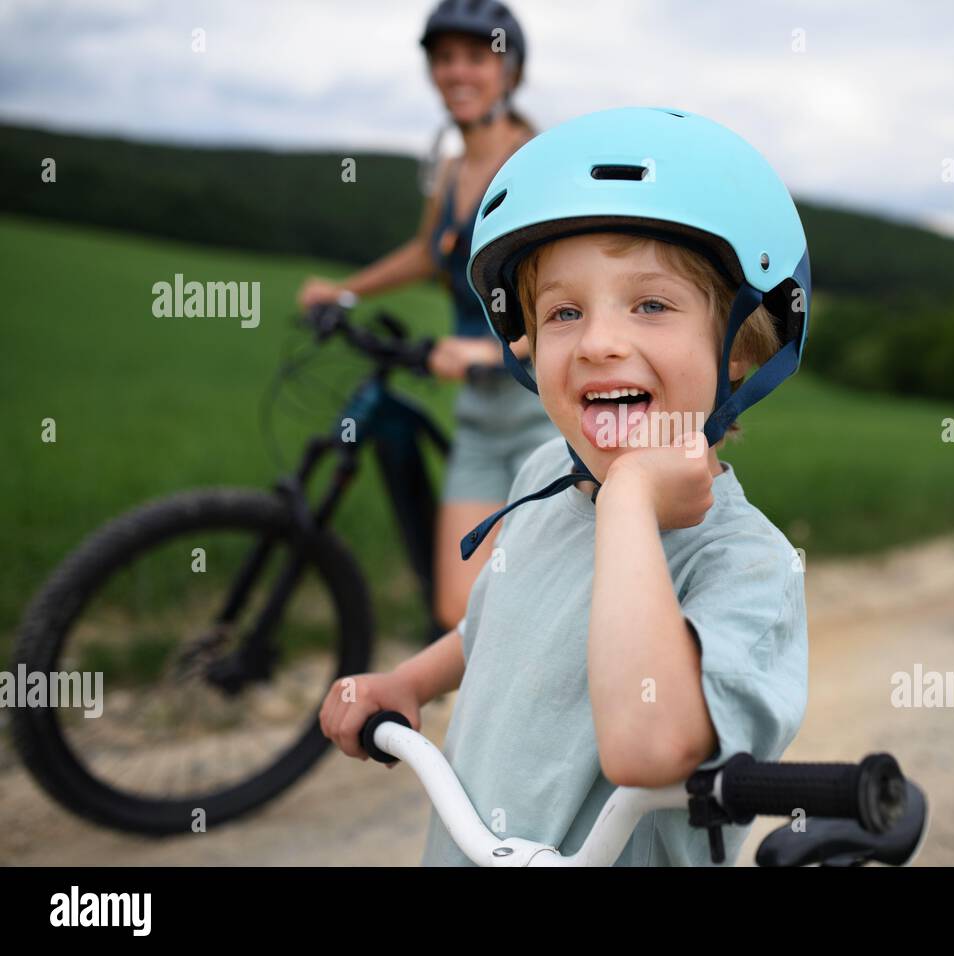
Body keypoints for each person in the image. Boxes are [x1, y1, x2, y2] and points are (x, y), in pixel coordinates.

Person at [319, 107, 812, 866]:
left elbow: (650, 747)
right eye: (564, 312)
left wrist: (629, 503)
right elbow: (498, 623)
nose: (599, 342)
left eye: (651, 304)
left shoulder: (749, 567)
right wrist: (410, 680)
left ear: (740, 347)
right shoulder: (546, 473)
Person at [297, 0, 555, 633]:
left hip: (544, 412)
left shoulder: (537, 162)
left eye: (476, 58)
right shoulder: (450, 167)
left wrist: (488, 351)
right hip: (477, 416)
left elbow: (572, 296)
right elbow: (429, 251)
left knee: (548, 604)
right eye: (443, 59)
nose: (456, 73)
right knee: (458, 611)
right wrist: (345, 291)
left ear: (510, 72)